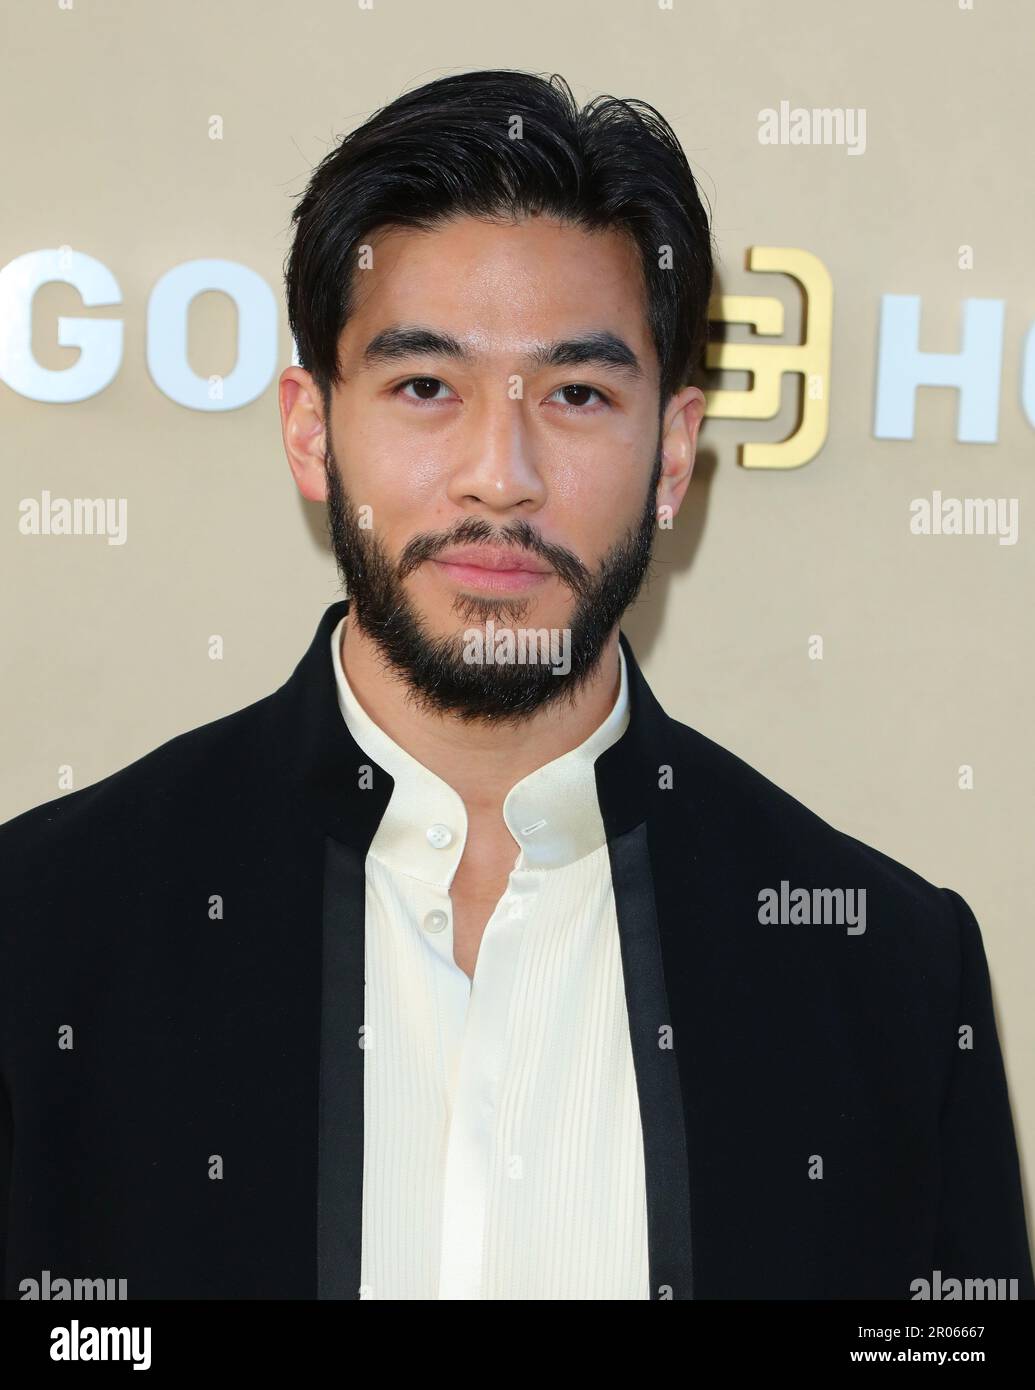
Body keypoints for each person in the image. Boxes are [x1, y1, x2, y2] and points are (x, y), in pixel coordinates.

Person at [1, 68, 1031, 1302]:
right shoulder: (43, 931)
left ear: (672, 452)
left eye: (578, 394)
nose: (502, 474)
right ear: (312, 432)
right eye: (426, 386)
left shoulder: (890, 975)